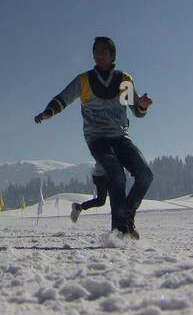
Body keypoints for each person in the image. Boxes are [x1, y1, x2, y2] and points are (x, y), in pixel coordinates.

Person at [34, 37, 153, 240]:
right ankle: (119, 229)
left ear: (113, 55)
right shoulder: (84, 80)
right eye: (96, 50)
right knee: (116, 175)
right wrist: (49, 112)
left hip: (121, 138)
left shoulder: (123, 80)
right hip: (97, 139)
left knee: (145, 174)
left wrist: (142, 105)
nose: (99, 54)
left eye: (104, 51)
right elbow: (64, 97)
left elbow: (137, 112)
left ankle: (127, 216)